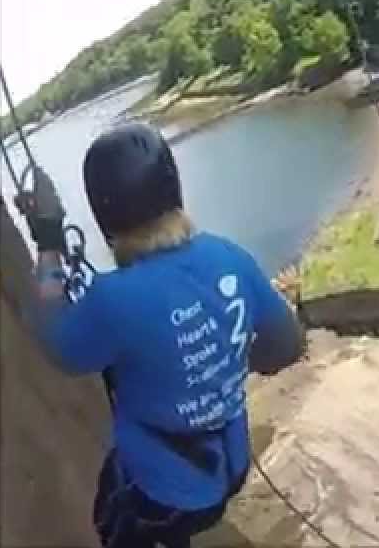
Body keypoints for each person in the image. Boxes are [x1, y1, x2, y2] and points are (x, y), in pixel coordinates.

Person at [17, 122, 304, 548]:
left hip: (166, 497)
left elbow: (53, 333)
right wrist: (224, 355)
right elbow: (288, 346)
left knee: (114, 518)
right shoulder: (229, 257)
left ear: (103, 213)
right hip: (231, 464)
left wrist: (47, 239)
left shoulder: (112, 301)